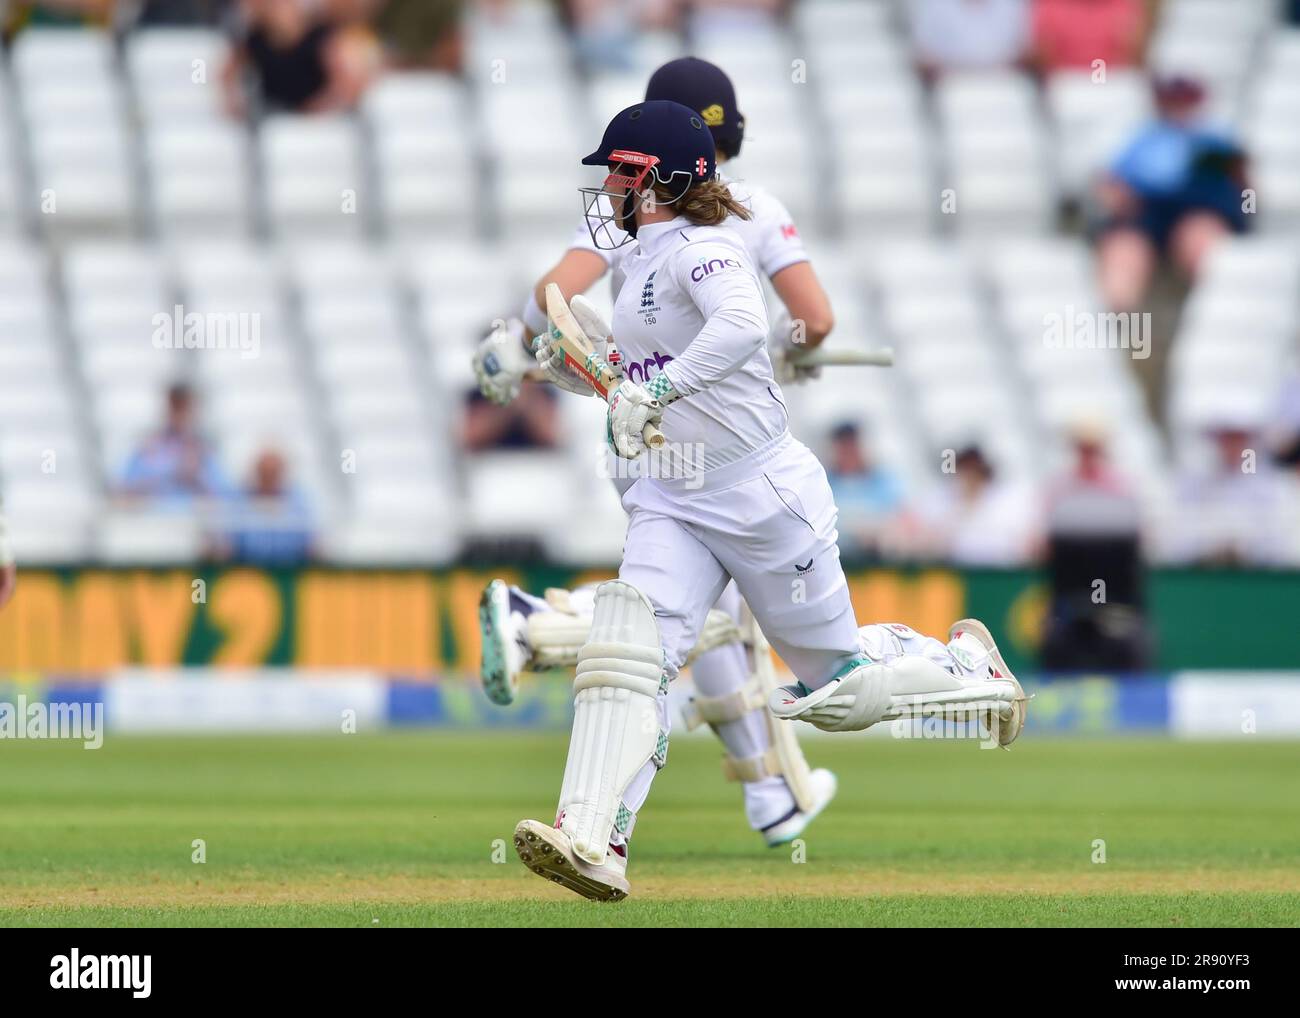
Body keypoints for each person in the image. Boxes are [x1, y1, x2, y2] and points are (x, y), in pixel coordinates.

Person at [509, 100, 1026, 902]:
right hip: (672, 498)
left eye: (620, 169)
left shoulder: (705, 249)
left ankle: (966, 665)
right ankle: (593, 839)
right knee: (628, 657)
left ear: (663, 178)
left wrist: (666, 384)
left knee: (838, 688)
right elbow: (630, 379)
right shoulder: (639, 258)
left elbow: (747, 325)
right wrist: (564, 368)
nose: (607, 183)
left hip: (760, 494)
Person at [474, 58, 841, 855]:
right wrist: (789, 350)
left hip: (650, 453)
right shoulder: (752, 208)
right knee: (692, 626)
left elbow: (553, 300)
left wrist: (521, 347)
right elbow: (814, 319)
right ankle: (545, 622)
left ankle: (769, 796)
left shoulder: (631, 210)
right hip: (731, 449)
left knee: (687, 622)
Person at [1093, 76, 1250, 311]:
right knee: (1124, 252)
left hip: (1200, 210)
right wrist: (1118, 200)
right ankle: (1117, 329)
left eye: (1185, 100)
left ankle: (1220, 316)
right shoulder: (1141, 137)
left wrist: (1240, 213)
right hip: (1144, 214)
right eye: (1173, 99)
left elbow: (1243, 187)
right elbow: (1112, 184)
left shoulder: (1217, 140)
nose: (1178, 107)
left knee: (1202, 240)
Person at [118, 383, 228, 507]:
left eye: (185, 408)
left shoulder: (205, 452)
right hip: (151, 521)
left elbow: (223, 501)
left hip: (195, 521)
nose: (180, 415)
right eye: (175, 407)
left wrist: (194, 479)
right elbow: (123, 495)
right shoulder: (146, 449)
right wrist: (162, 478)